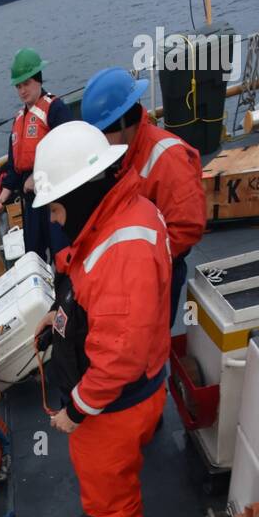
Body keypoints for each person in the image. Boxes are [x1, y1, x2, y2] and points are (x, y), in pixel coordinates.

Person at [32, 120, 171, 517]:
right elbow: (92, 291)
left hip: (113, 405)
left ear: (77, 193)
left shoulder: (122, 248)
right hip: (117, 395)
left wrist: (76, 409)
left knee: (109, 479)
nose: (53, 218)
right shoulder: (118, 216)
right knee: (102, 477)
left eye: (55, 208)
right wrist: (59, 318)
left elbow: (118, 354)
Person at [81, 67, 206, 327]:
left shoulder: (167, 158)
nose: (101, 142)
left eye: (105, 132)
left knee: (152, 338)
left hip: (160, 272)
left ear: (125, 122)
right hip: (128, 271)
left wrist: (140, 263)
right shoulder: (123, 153)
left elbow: (188, 226)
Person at [0, 48, 73, 262]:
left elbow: (66, 149)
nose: (22, 90)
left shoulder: (55, 109)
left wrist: (37, 176)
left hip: (54, 196)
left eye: (26, 84)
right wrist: (3, 197)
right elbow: (14, 164)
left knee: (61, 251)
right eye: (18, 86)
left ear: (38, 80)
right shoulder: (19, 119)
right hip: (31, 203)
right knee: (33, 256)